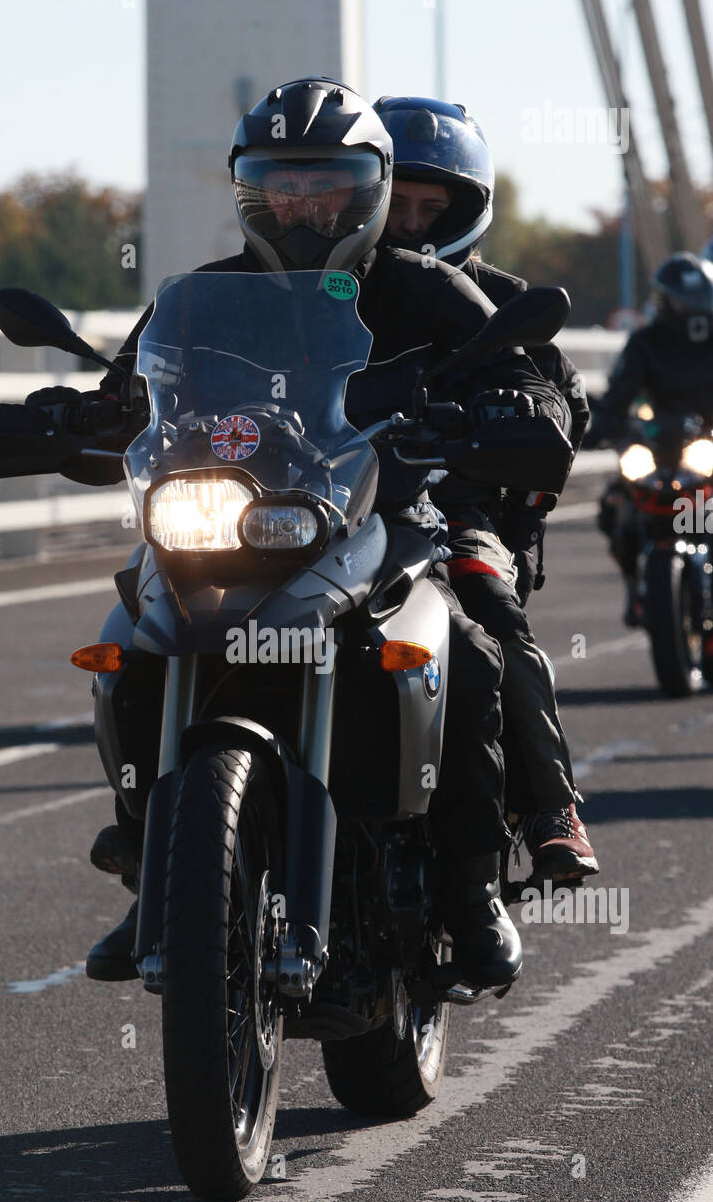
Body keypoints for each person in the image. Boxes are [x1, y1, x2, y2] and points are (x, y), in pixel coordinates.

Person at [29, 78, 572, 989]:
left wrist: (517, 403)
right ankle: (150, 860)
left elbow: (530, 376)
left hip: (387, 515)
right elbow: (136, 387)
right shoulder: (199, 296)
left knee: (468, 651)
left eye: (328, 182)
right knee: (129, 641)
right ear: (250, 191)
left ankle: (473, 884)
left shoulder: (429, 286)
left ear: (368, 188)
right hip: (239, 519)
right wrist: (79, 411)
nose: (303, 202)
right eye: (280, 182)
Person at [371, 95, 598, 887]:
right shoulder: (315, 284)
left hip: (452, 513)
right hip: (325, 506)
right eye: (396, 201)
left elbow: (561, 398)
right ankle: (172, 853)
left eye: (432, 207)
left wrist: (522, 417)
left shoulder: (502, 300)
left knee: (489, 624)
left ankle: (548, 806)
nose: (411, 222)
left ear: (466, 209)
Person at [592, 252, 713, 625]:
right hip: (658, 447)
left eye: (698, 300)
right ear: (662, 302)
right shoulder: (645, 343)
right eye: (680, 301)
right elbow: (617, 397)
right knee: (615, 505)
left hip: (708, 443)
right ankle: (635, 582)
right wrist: (601, 424)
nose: (690, 309)